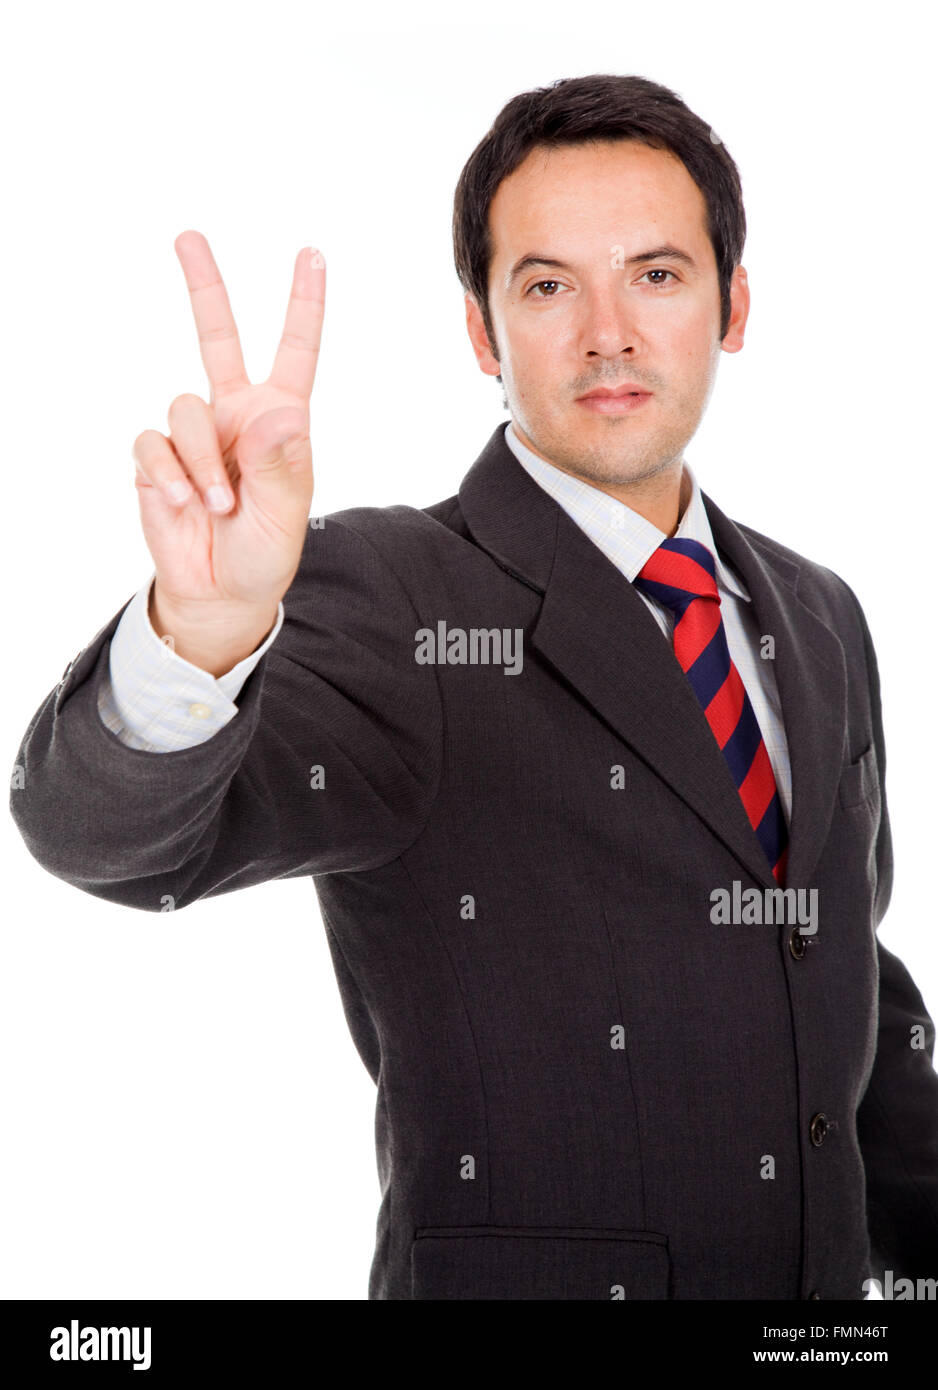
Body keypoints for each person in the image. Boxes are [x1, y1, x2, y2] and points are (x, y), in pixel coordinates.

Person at [10, 73, 938, 1301]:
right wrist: (205, 627)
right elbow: (113, 842)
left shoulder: (816, 613)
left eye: (655, 275)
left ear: (733, 304)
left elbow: (833, 973)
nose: (606, 331)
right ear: (480, 332)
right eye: (547, 285)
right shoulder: (394, 594)